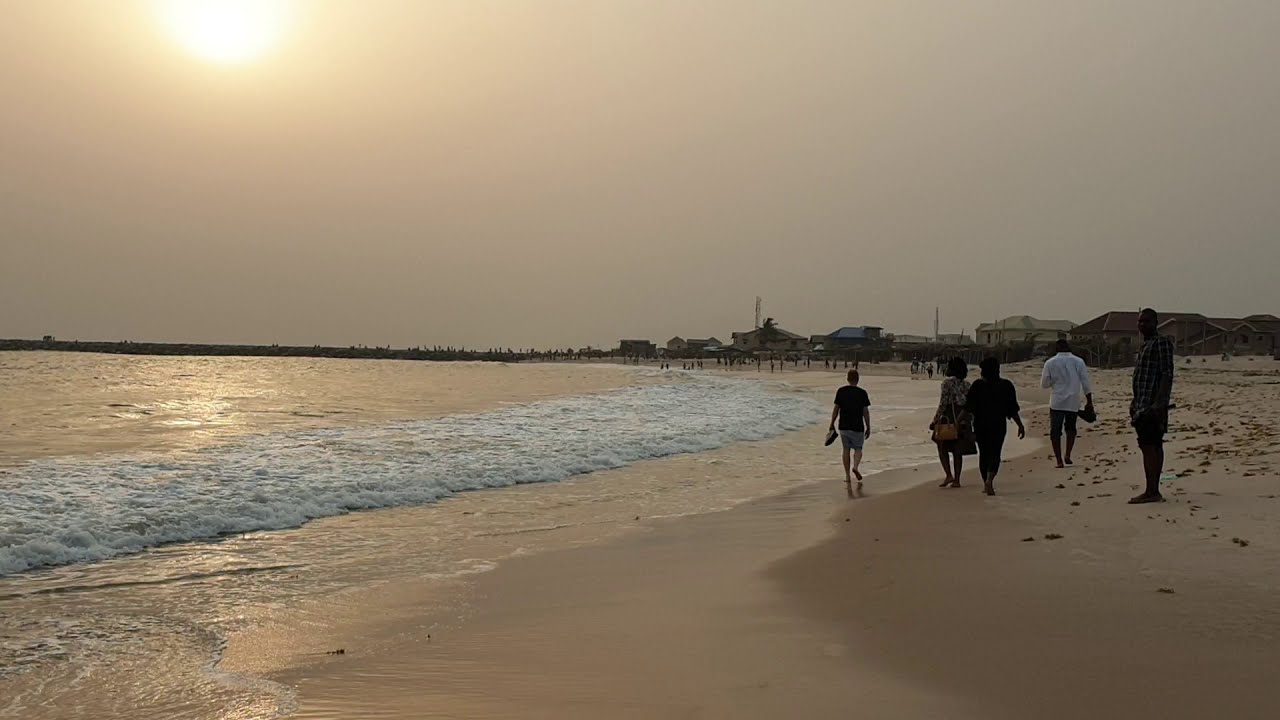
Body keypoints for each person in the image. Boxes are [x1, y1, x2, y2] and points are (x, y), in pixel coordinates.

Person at [1130, 308, 1175, 504]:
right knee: (1152, 445)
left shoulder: (1161, 343)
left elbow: (1166, 373)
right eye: (1140, 322)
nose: (1142, 325)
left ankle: (1152, 491)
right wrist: (1134, 401)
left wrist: (1160, 403)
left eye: (1146, 322)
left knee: (1150, 446)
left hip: (1152, 405)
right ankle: (1153, 489)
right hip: (1141, 403)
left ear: (1155, 322)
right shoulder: (1145, 345)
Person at [966, 357, 1026, 495]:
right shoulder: (1006, 385)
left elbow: (968, 408)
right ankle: (990, 480)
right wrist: (1020, 425)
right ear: (997, 370)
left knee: (984, 454)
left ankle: (985, 482)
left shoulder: (977, 385)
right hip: (998, 425)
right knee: (995, 453)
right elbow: (1012, 409)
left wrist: (958, 422)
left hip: (980, 425)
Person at [1040, 338, 1094, 468]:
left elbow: (1044, 384)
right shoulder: (1078, 361)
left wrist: (1055, 381)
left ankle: (1059, 460)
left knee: (1055, 431)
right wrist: (1089, 401)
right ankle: (1068, 454)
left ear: (1056, 349)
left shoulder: (1050, 362)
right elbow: (1085, 382)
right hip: (1073, 401)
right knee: (1071, 429)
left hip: (1057, 401)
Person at [931, 357, 971, 487]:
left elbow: (943, 404)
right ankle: (957, 479)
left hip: (948, 418)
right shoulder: (967, 385)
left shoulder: (947, 383)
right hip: (962, 418)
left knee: (941, 445)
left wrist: (935, 420)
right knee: (957, 450)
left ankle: (948, 475)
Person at [829, 370, 872, 487]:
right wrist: (868, 427)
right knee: (858, 448)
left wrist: (831, 423)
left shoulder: (841, 391)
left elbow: (836, 409)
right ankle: (856, 467)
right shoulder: (862, 393)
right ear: (858, 379)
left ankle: (847, 476)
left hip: (843, 426)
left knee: (846, 450)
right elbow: (865, 412)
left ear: (847, 379)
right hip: (857, 426)